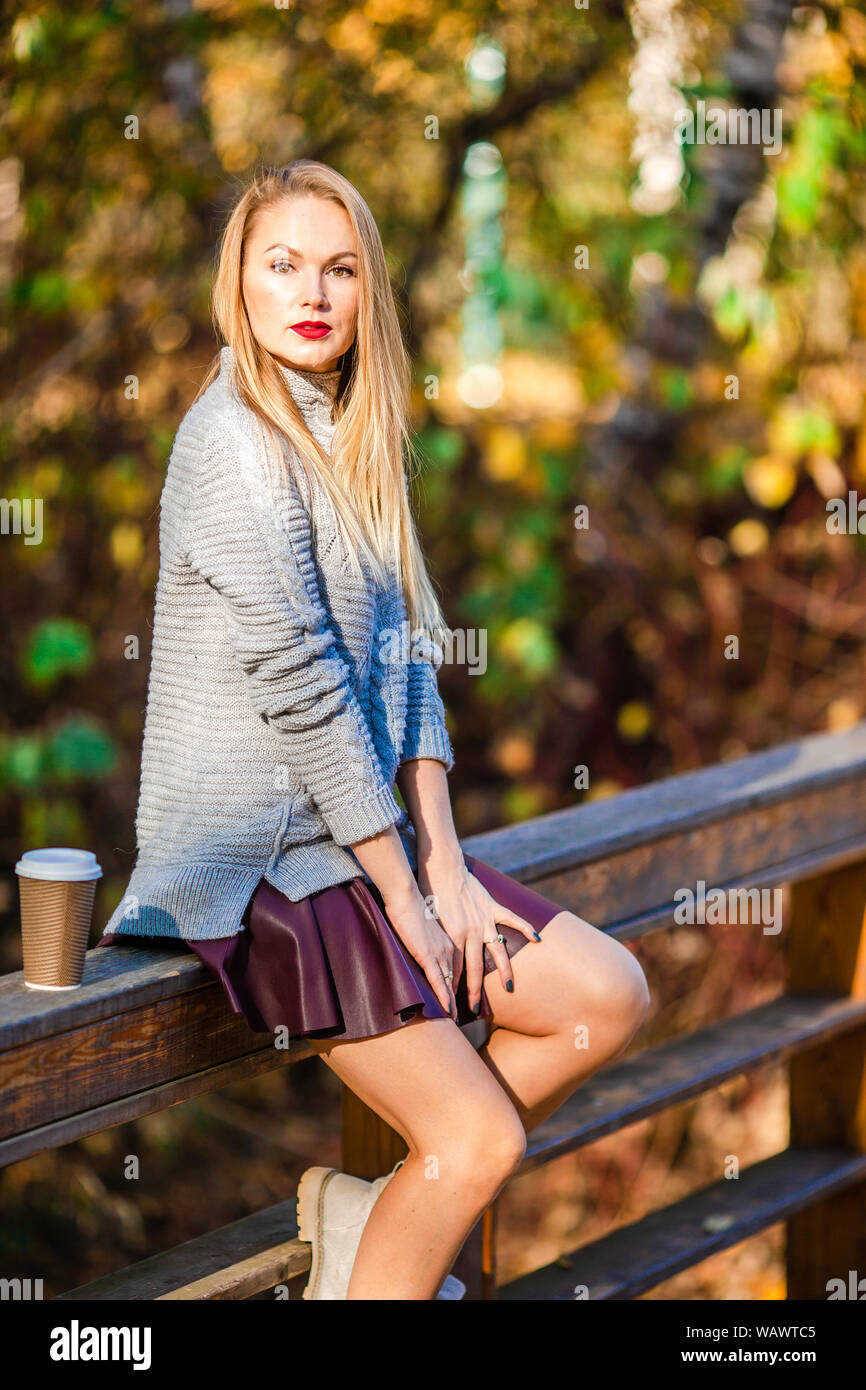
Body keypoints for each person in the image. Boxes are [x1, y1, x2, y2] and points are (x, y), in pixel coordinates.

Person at [97, 160, 651, 1300]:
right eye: (282, 264)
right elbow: (301, 684)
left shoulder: (350, 432)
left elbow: (408, 655)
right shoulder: (229, 443)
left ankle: (375, 1217)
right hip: (253, 865)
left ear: (367, 293)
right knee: (476, 1143)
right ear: (237, 286)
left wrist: (441, 862)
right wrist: (402, 895)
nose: (312, 291)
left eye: (339, 268)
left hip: (357, 843)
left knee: (605, 997)